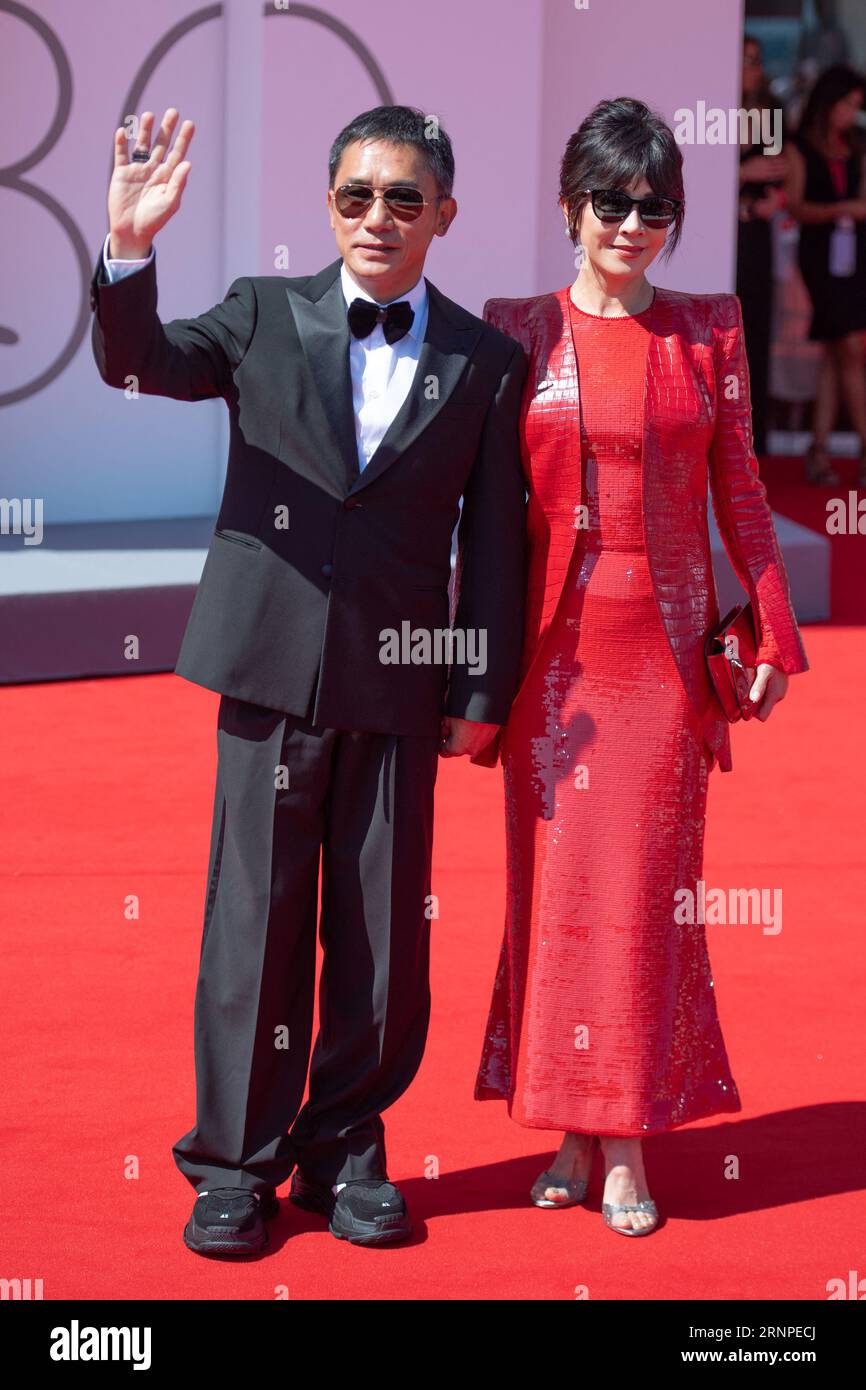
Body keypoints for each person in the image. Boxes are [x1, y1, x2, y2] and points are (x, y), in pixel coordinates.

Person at [90, 104, 527, 1255]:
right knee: (255, 919)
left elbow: (491, 542)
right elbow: (138, 361)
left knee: (383, 928)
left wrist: (478, 693)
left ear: (442, 212)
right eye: (352, 196)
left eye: (400, 197)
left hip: (400, 681)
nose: (374, 217)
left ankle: (344, 1152)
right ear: (326, 204)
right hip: (270, 668)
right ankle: (233, 1162)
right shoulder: (260, 314)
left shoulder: (484, 360)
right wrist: (129, 249)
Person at [468, 98, 809, 1236]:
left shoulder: (705, 330)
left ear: (674, 217)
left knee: (636, 906)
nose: (628, 222)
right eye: (609, 201)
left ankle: (625, 1141)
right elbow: (475, 511)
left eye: (652, 206)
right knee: (554, 903)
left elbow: (743, 497)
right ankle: (567, 1120)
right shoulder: (516, 329)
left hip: (657, 669)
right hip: (548, 675)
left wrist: (769, 633)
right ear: (571, 203)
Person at [786, 65, 866, 486]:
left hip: (855, 255)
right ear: (829, 102)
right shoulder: (800, 146)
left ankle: (817, 449)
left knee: (838, 352)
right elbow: (795, 207)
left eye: (857, 106)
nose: (852, 114)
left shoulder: (856, 145)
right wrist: (841, 210)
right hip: (820, 255)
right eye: (847, 105)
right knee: (850, 343)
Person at [737, 33, 789, 457]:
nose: (752, 67)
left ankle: (754, 441)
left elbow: (778, 172)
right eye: (744, 58)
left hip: (756, 235)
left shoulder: (769, 113)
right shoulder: (712, 110)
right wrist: (742, 174)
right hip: (725, 234)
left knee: (756, 327)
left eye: (756, 59)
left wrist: (774, 199)